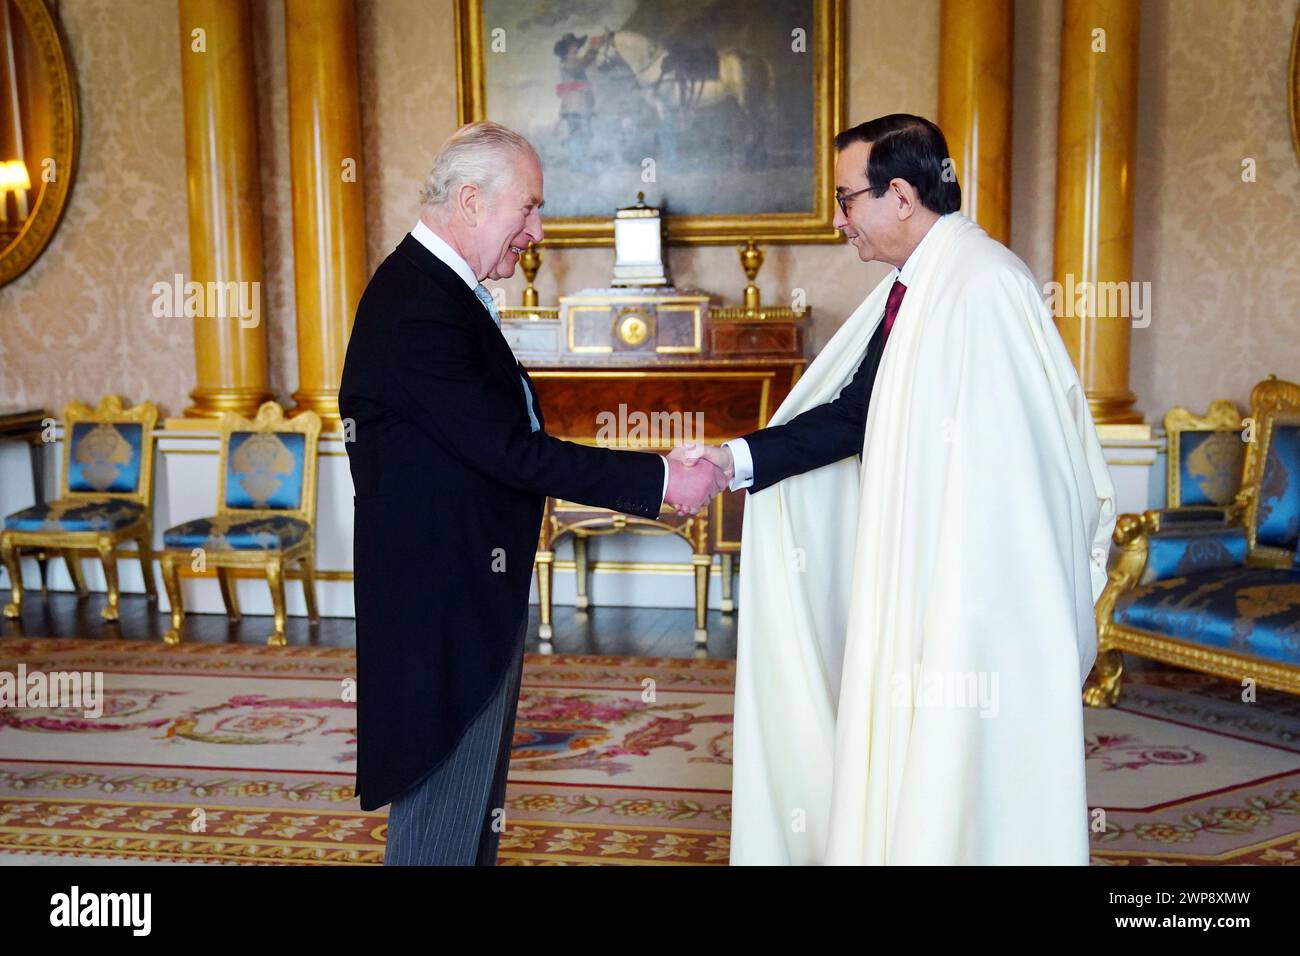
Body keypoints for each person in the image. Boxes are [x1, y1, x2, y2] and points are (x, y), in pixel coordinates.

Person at [677, 114, 1116, 864]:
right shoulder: (919, 287)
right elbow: (855, 416)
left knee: (965, 782)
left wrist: (966, 605)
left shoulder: (984, 287)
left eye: (847, 200)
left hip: (977, 606)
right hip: (927, 587)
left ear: (903, 195)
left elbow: (1023, 475)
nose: (840, 221)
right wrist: (731, 460)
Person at [339, 121, 726, 865]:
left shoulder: (441, 290)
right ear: (472, 199)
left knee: (468, 814)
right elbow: (511, 452)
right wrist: (662, 480)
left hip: (465, 590)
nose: (537, 231)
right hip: (443, 606)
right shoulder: (421, 304)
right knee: (441, 823)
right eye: (529, 209)